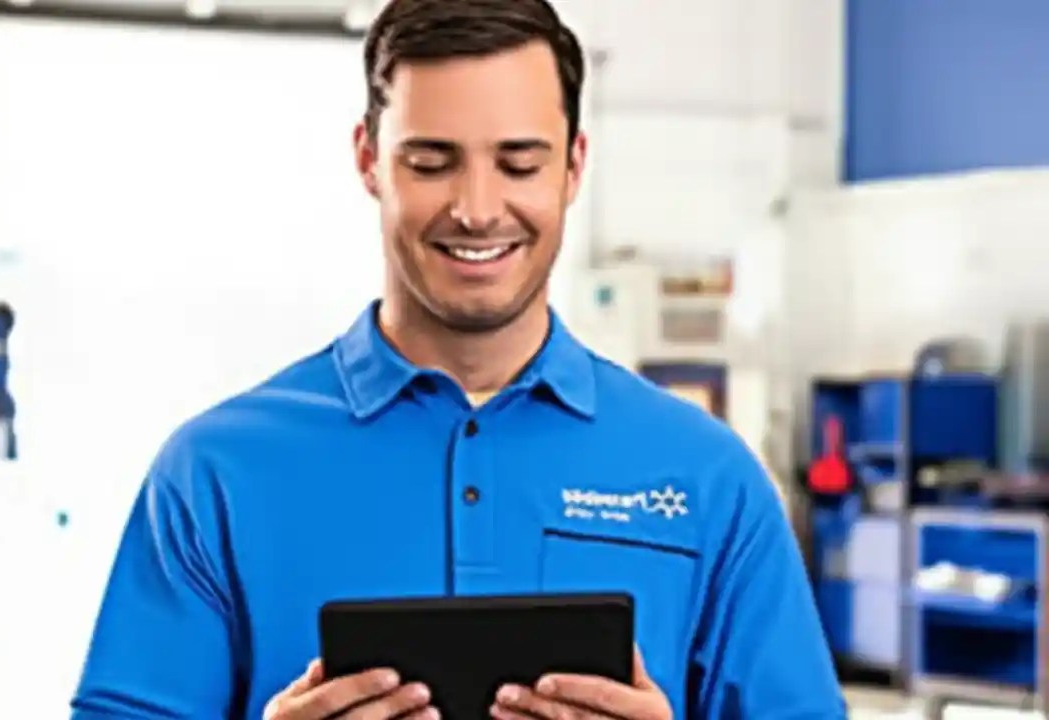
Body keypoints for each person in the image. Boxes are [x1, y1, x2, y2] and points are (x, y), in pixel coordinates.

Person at [71, 0, 846, 718]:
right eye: (432, 161)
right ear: (369, 160)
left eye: (518, 163)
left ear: (573, 166)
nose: (476, 208)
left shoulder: (708, 478)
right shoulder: (215, 475)